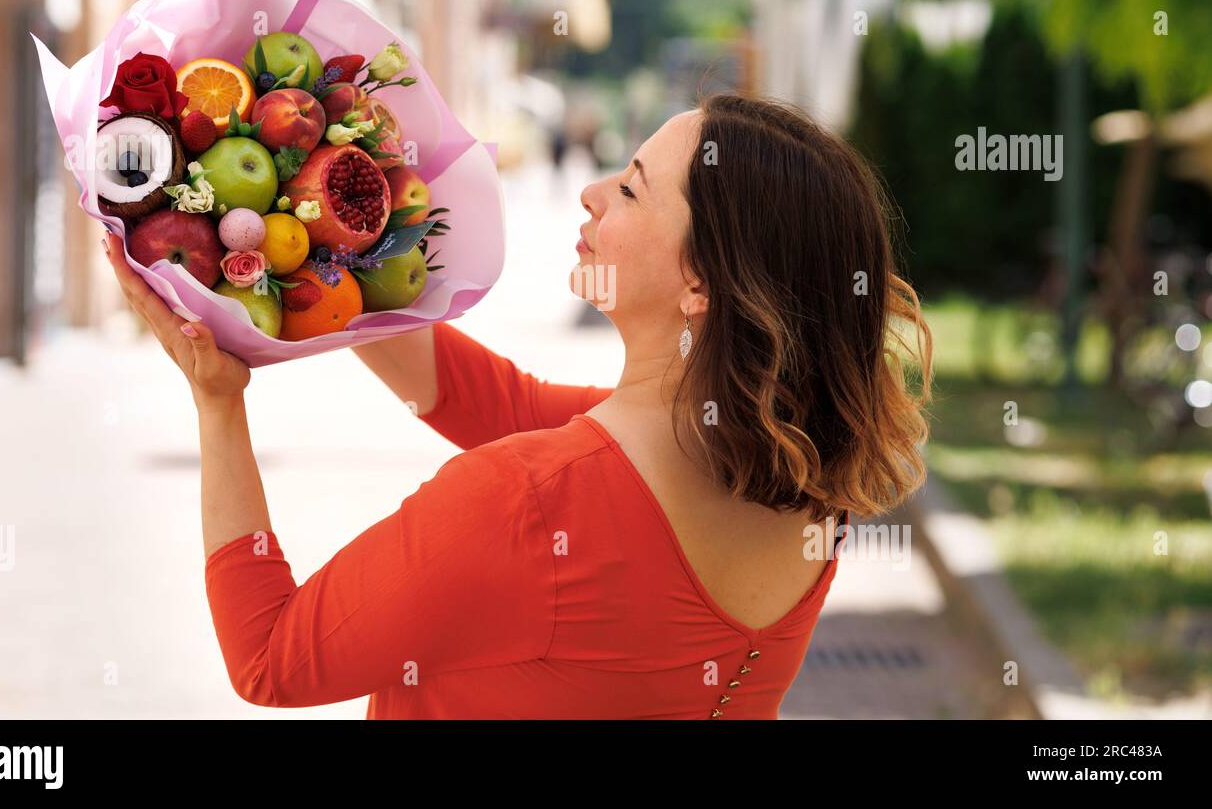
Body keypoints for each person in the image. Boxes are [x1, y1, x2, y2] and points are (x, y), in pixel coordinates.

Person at [103, 92, 933, 718]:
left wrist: (217, 406)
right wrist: (328, 242)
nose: (592, 193)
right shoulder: (805, 478)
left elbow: (271, 657)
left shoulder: (530, 502)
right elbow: (497, 402)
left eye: (634, 191)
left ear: (700, 284)